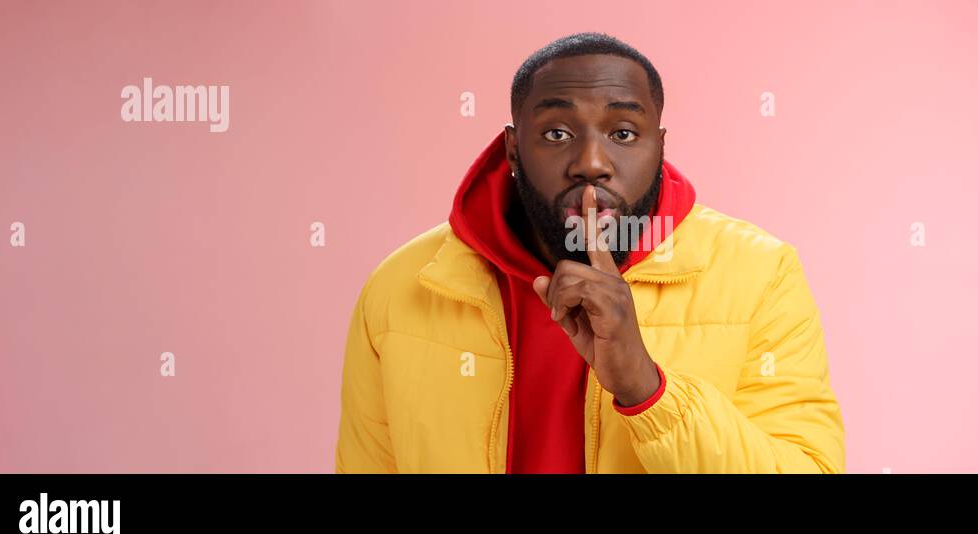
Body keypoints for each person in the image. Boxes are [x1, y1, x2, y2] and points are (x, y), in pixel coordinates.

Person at [335, 32, 845, 473]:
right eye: (557, 133)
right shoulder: (402, 285)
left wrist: (645, 386)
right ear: (513, 149)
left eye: (623, 133)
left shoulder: (758, 273)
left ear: (659, 145)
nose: (592, 162)